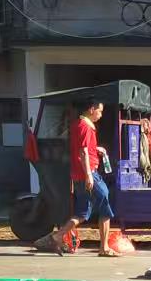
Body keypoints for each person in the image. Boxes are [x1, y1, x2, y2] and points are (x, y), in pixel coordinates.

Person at [38, 97, 114, 257]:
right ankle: (104, 248)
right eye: (100, 111)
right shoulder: (86, 127)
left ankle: (57, 236)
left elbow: (82, 147)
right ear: (91, 109)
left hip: (79, 174)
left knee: (82, 213)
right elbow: (83, 152)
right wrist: (89, 176)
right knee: (105, 206)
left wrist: (96, 148)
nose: (101, 115)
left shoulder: (77, 124)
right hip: (89, 173)